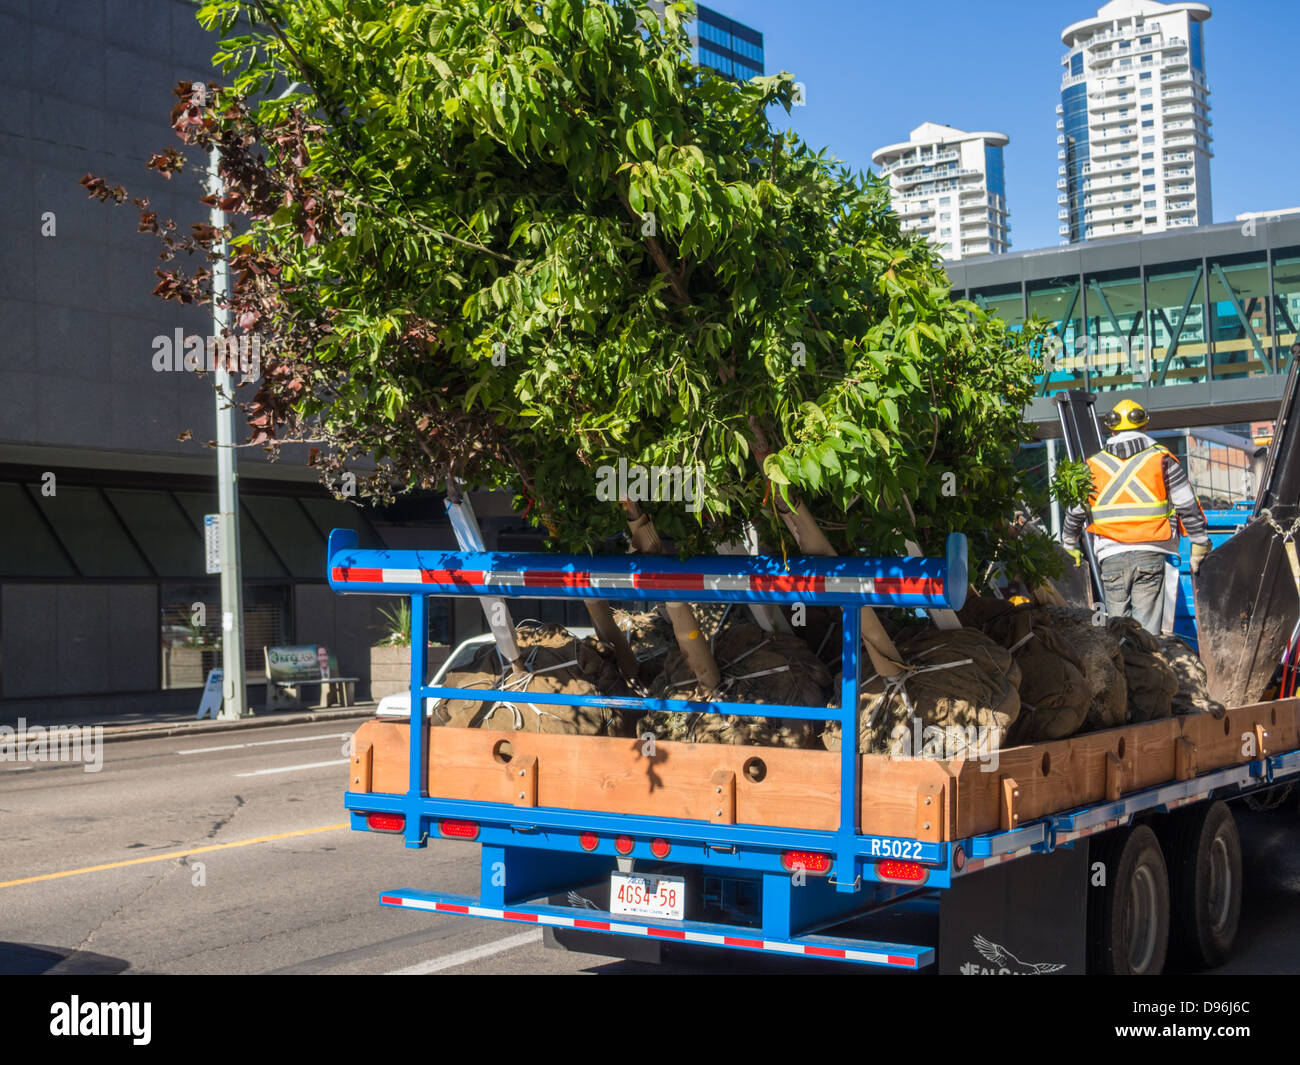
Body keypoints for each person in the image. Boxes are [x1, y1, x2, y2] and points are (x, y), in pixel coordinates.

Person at [1061, 399, 1211, 635]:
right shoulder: (1161, 459)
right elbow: (1187, 504)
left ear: (1112, 431)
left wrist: (1069, 543)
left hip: (1110, 558)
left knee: (1117, 634)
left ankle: (1123, 669)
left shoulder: (1091, 467)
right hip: (1151, 554)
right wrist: (1200, 543)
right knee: (1146, 637)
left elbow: (1075, 511)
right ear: (1144, 428)